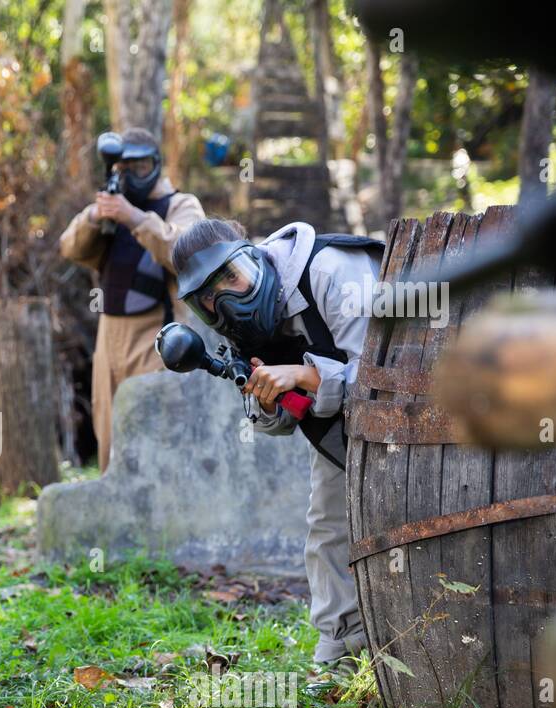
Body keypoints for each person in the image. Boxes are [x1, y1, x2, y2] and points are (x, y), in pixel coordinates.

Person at [171, 218, 384, 669]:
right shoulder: (240, 328)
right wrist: (267, 397)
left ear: (252, 254)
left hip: (430, 422)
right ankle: (341, 657)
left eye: (231, 277)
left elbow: (385, 383)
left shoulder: (328, 270)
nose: (225, 300)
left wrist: (303, 375)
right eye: (208, 299)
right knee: (328, 530)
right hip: (343, 433)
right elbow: (280, 420)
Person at [58, 128, 204, 471]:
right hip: (109, 336)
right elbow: (69, 247)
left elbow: (185, 254)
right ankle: (112, 513)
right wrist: (96, 216)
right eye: (124, 168)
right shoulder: (114, 207)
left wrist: (135, 218)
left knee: (156, 428)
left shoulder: (181, 205)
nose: (132, 176)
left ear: (156, 165)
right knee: (109, 429)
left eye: (141, 167)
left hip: (159, 333)